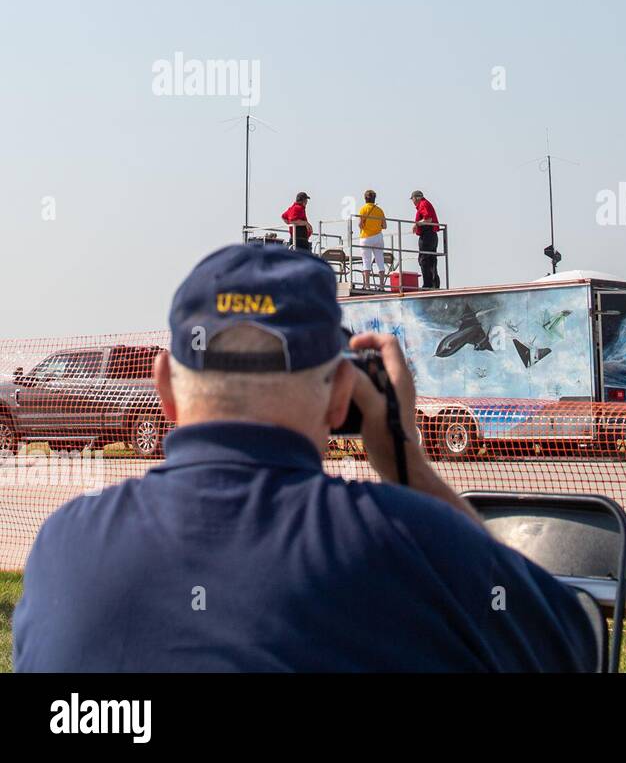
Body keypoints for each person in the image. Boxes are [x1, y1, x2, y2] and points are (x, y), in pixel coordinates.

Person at [14, 244, 596, 672]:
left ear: (164, 386)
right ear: (345, 392)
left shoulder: (61, 550)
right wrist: (407, 461)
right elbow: (566, 647)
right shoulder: (410, 545)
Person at [356, 189, 388, 291]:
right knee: (380, 261)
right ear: (374, 199)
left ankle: (367, 285)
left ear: (365, 198)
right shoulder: (380, 210)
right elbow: (384, 226)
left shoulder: (363, 209)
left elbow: (360, 225)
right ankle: (382, 286)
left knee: (366, 261)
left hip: (366, 237)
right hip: (378, 237)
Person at [410, 190, 442, 289]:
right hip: (432, 235)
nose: (413, 202)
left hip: (427, 235)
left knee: (424, 260)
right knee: (431, 259)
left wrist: (417, 224)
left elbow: (428, 219)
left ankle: (427, 284)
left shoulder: (423, 204)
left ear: (416, 198)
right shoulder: (425, 203)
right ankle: (434, 283)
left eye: (413, 199)